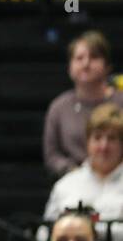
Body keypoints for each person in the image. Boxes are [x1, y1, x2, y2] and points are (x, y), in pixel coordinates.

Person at [43, 104, 123, 241]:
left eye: (111, 138)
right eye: (97, 138)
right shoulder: (65, 185)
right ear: (87, 142)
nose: (103, 146)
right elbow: (44, 234)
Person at [45, 32, 117, 177]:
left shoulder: (120, 102)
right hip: (73, 180)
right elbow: (52, 155)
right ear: (69, 67)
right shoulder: (59, 107)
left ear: (107, 66)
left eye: (94, 57)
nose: (86, 64)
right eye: (79, 58)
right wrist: (75, 172)